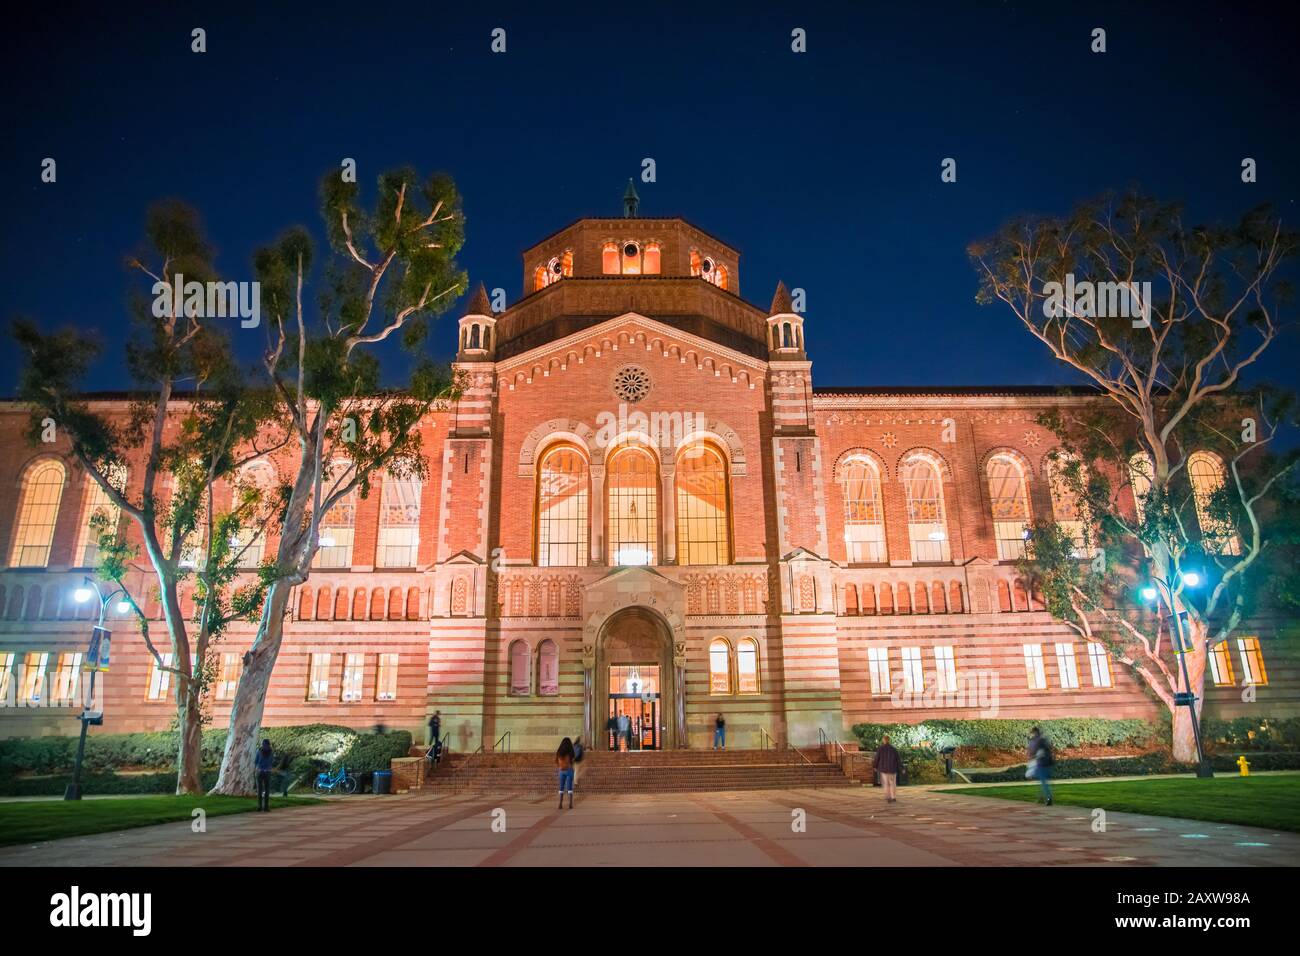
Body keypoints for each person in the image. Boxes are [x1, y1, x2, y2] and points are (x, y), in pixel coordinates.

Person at [1028, 727, 1054, 805]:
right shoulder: (1043, 740)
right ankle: (1041, 797)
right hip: (1046, 763)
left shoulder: (1038, 741)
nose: (1032, 734)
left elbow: (1034, 752)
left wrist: (1032, 756)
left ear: (1035, 733)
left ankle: (1048, 798)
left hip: (1041, 764)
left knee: (1043, 782)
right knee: (1042, 781)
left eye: (1033, 733)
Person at [872, 734, 901, 803]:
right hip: (893, 769)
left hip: (884, 769)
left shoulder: (880, 748)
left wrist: (875, 766)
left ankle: (888, 797)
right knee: (893, 783)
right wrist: (901, 767)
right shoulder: (894, 749)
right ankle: (893, 797)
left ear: (883, 740)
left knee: (886, 783)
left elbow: (877, 758)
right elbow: (898, 759)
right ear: (889, 740)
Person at [254, 738, 275, 812]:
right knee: (267, 790)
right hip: (267, 772)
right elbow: (272, 761)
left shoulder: (259, 751)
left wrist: (257, 768)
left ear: (262, 744)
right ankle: (266, 806)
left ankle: (259, 806)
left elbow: (255, 761)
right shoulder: (271, 752)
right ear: (269, 744)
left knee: (259, 790)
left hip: (259, 771)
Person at [556, 737, 576, 809]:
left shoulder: (559, 751)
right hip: (569, 770)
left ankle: (560, 804)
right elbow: (573, 760)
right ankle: (570, 804)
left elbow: (557, 761)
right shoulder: (571, 751)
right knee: (569, 787)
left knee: (561, 787)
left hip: (561, 770)